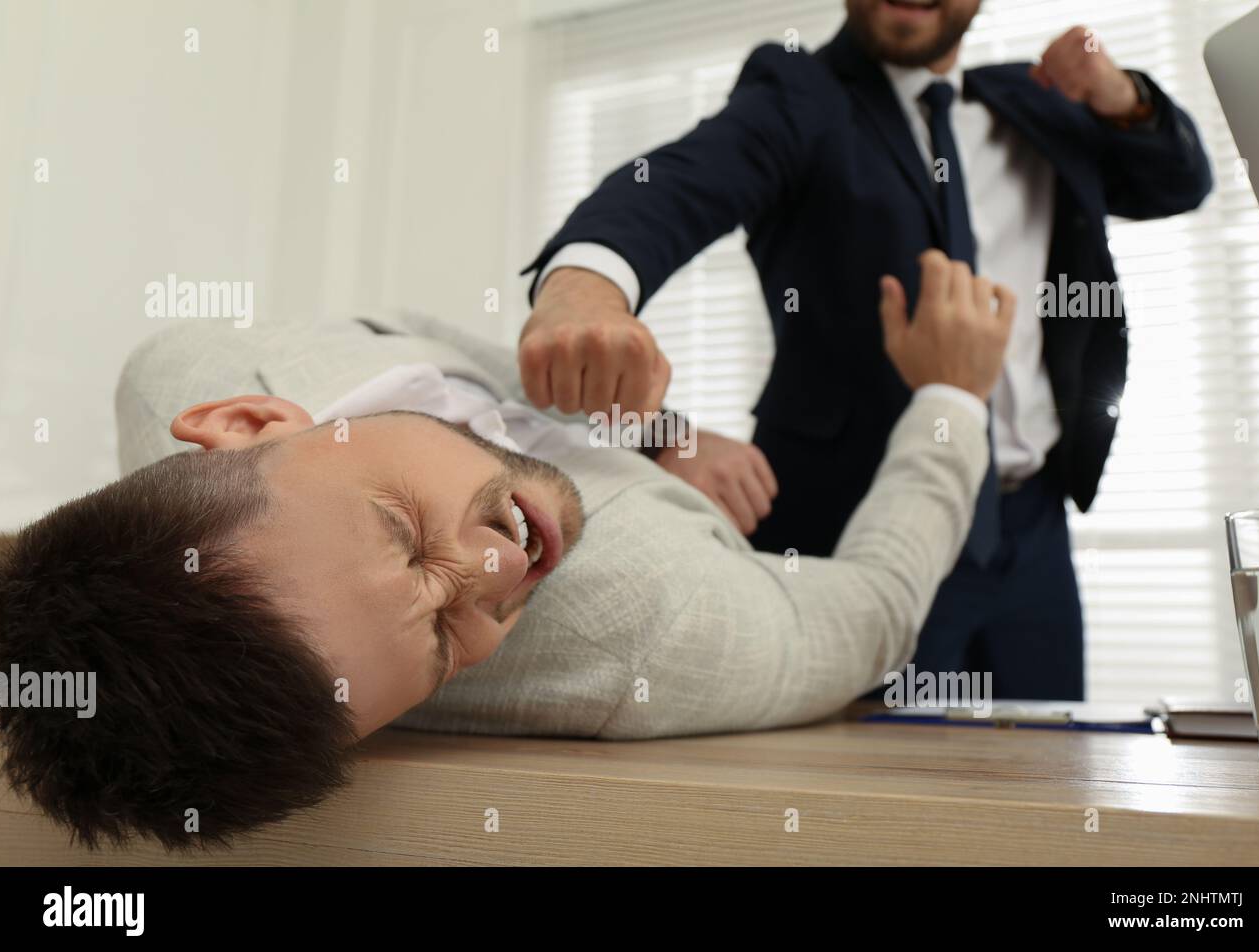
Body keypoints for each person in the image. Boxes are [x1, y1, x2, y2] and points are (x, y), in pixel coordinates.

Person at [0, 251, 1010, 848]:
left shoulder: (185, 362)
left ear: (250, 417)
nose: (497, 571)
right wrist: (954, 394)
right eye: (443, 638)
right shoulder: (655, 634)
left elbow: (410, 342)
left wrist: (654, 432)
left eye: (399, 529)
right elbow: (874, 603)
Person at [519, 0, 1214, 700]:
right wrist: (585, 288)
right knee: (868, 794)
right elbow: (674, 185)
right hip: (851, 529)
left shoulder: (1033, 103)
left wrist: (1120, 96)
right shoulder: (800, 94)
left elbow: (1177, 182)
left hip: (1032, 533)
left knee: (1049, 781)